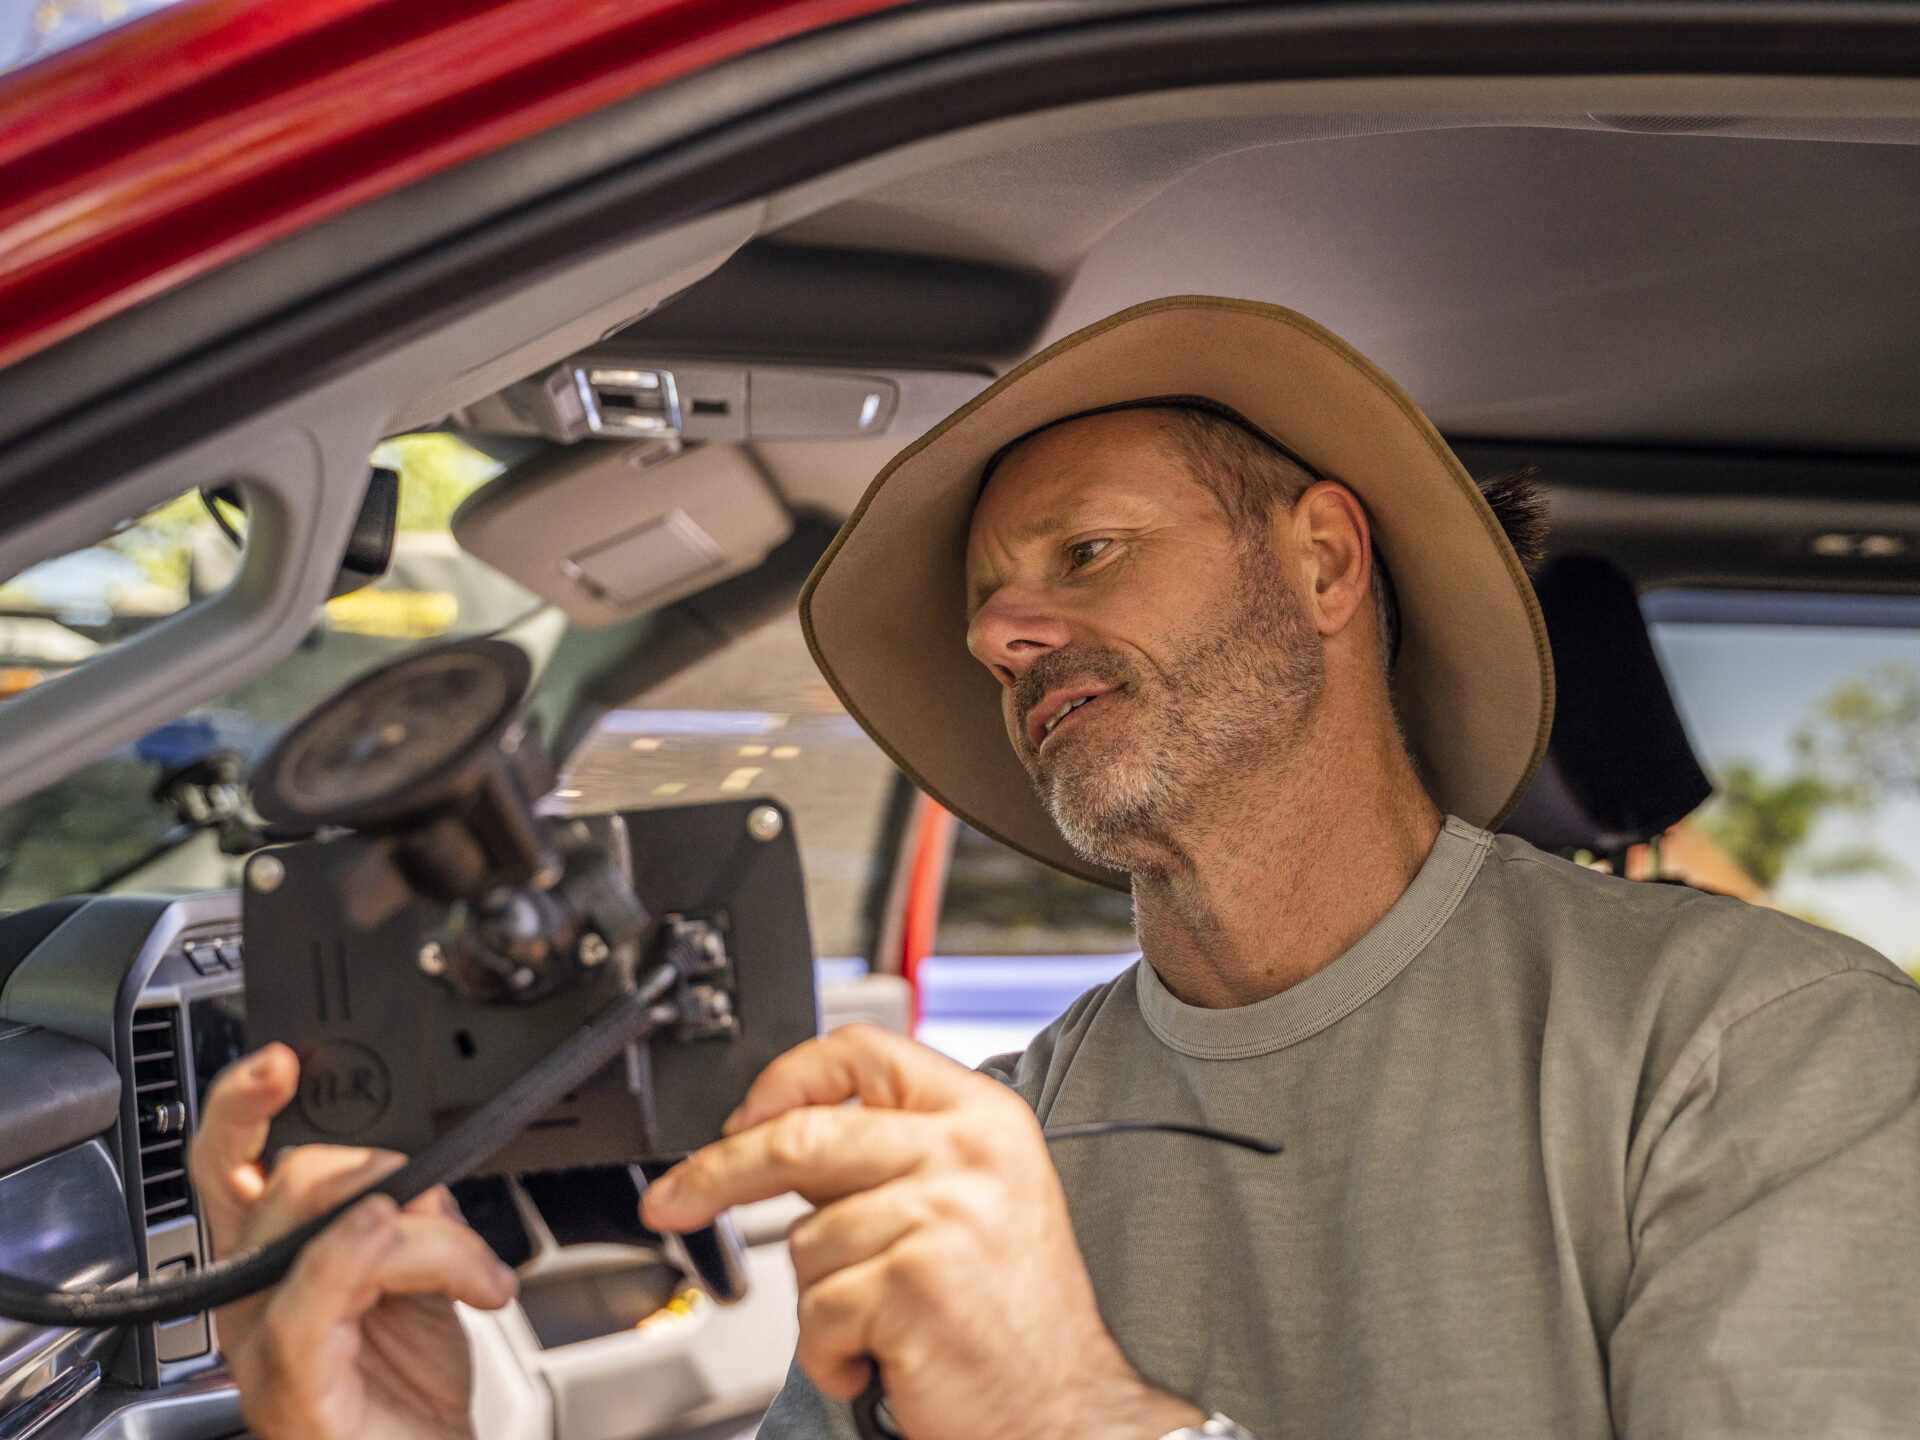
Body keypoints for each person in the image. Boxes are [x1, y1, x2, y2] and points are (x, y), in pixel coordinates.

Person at [192, 298, 1920, 1440]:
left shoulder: (1756, 1056)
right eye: (992, 618)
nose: (1008, 633)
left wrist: (1082, 1414)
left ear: (1323, 561)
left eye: (1089, 553)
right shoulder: (993, 1144)